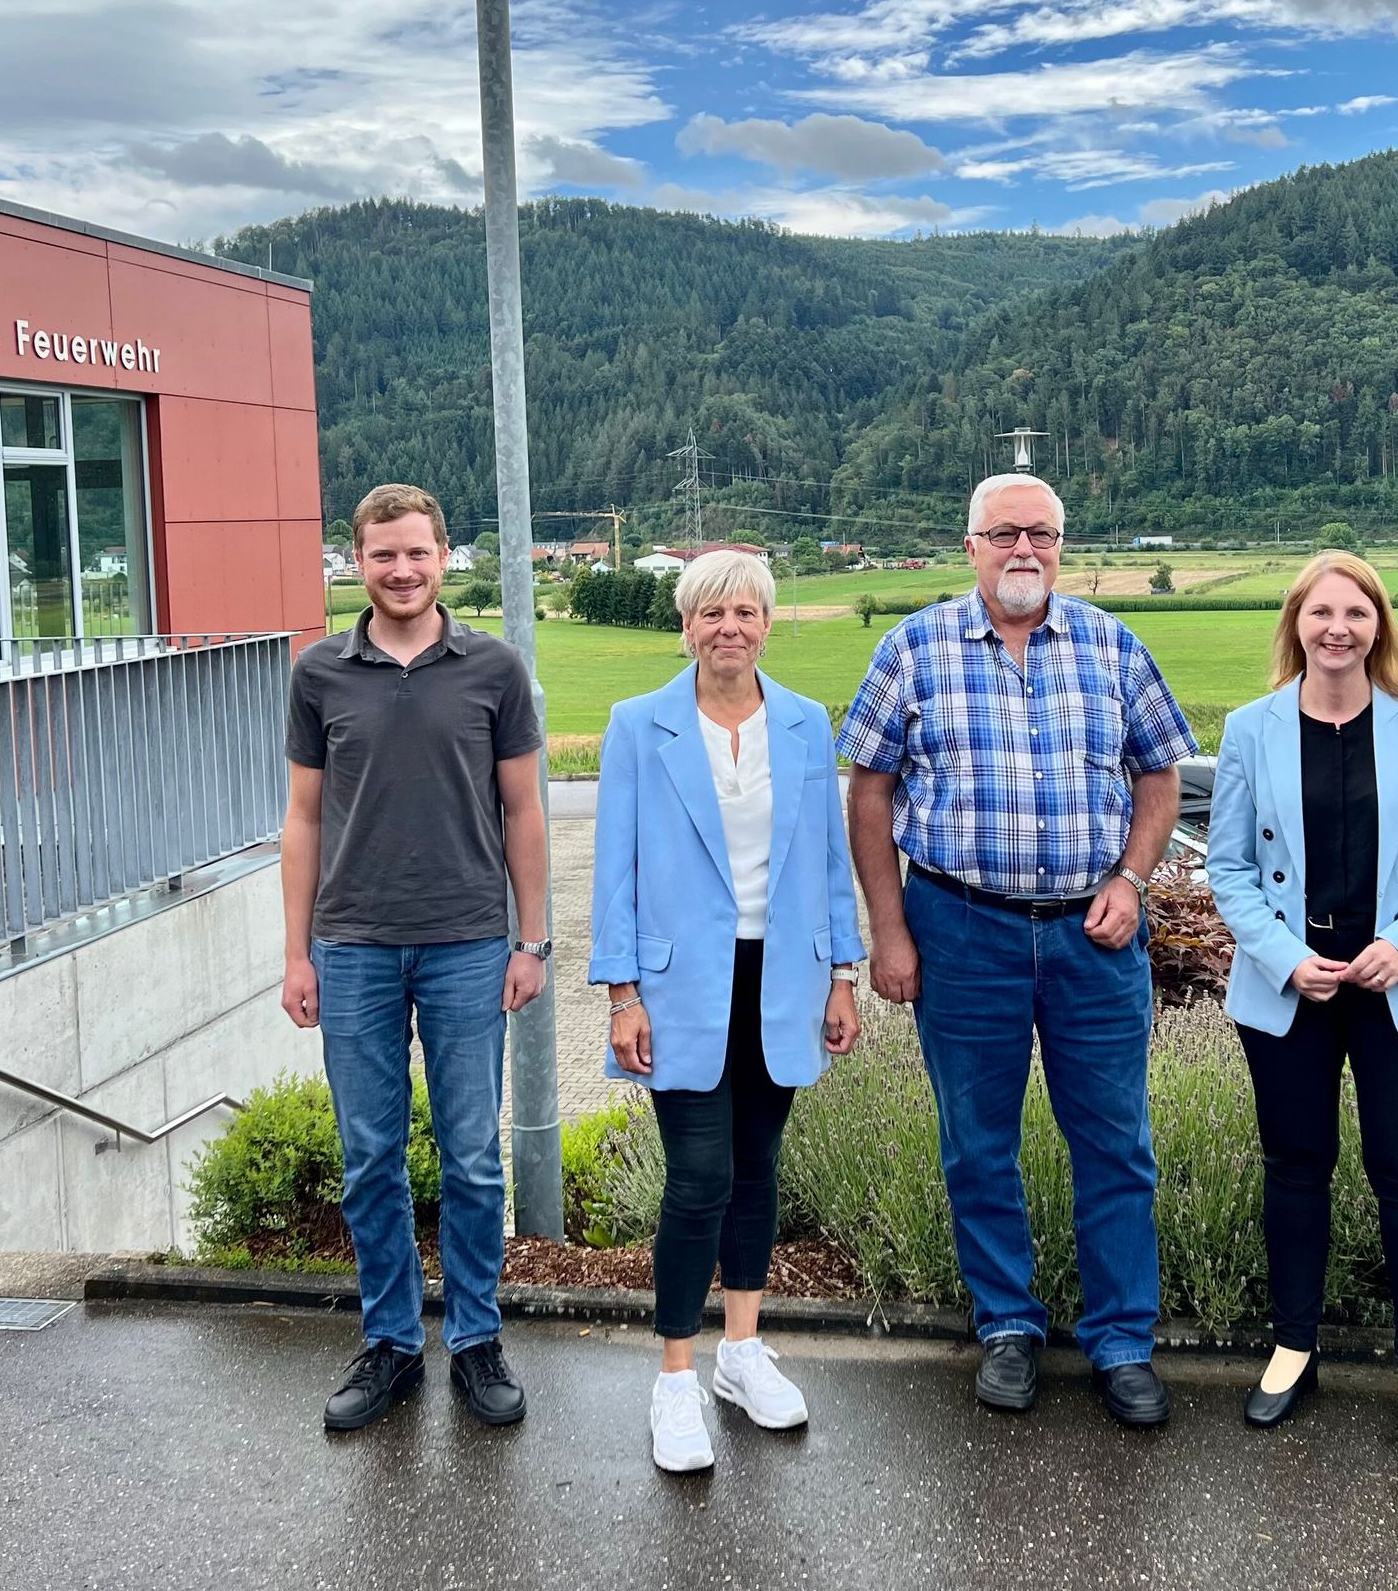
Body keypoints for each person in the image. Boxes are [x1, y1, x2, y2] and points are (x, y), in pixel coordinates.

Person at [840, 475, 1195, 1427]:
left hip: (1094, 932)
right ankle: (1007, 1325)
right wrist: (889, 927)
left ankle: (1122, 1342)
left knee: (1116, 1144)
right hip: (961, 928)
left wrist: (1132, 878)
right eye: (1005, 532)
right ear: (971, 544)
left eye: (1041, 532)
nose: (1023, 548)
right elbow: (868, 794)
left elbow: (1161, 774)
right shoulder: (911, 648)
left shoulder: (1113, 645)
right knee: (977, 1145)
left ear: (1063, 547)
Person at [280, 483, 550, 1434]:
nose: (402, 569)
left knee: (475, 1160)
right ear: (357, 559)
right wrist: (297, 954)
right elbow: (304, 818)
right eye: (383, 554)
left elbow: (525, 810)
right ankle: (392, 1342)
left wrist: (531, 940)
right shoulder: (320, 673)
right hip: (350, 947)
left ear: (445, 557)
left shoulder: (494, 670)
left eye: (417, 553)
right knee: (370, 1158)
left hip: (469, 944)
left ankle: (475, 1337)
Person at [1206, 551, 1398, 1460]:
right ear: (1294, 623)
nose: (1338, 628)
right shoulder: (1250, 728)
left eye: (1356, 613)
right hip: (1291, 989)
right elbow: (1230, 867)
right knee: (1295, 1166)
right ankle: (1294, 1346)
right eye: (1321, 611)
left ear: (1379, 626)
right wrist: (1287, 958)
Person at [590, 549, 864, 1474]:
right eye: (711, 613)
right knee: (699, 1174)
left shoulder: (801, 723)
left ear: (768, 623)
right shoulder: (639, 726)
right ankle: (675, 1375)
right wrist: (621, 992)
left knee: (757, 1167)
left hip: (783, 978)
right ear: (686, 626)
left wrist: (843, 972)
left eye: (745, 611)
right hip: (678, 989)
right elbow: (615, 869)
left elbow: (828, 857)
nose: (729, 628)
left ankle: (742, 1353)